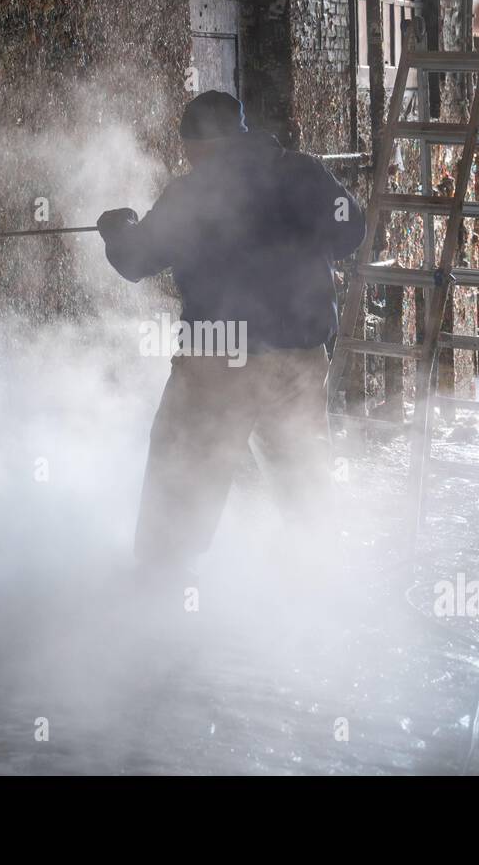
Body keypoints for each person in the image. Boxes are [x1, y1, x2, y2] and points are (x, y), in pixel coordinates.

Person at [97, 91, 366, 583]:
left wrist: (119, 228)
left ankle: (160, 589)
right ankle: (321, 588)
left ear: (201, 145)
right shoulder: (301, 171)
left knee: (182, 472)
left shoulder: (191, 194)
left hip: (219, 355)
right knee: (302, 478)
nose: (187, 158)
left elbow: (136, 261)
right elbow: (352, 231)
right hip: (298, 356)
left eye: (187, 148)